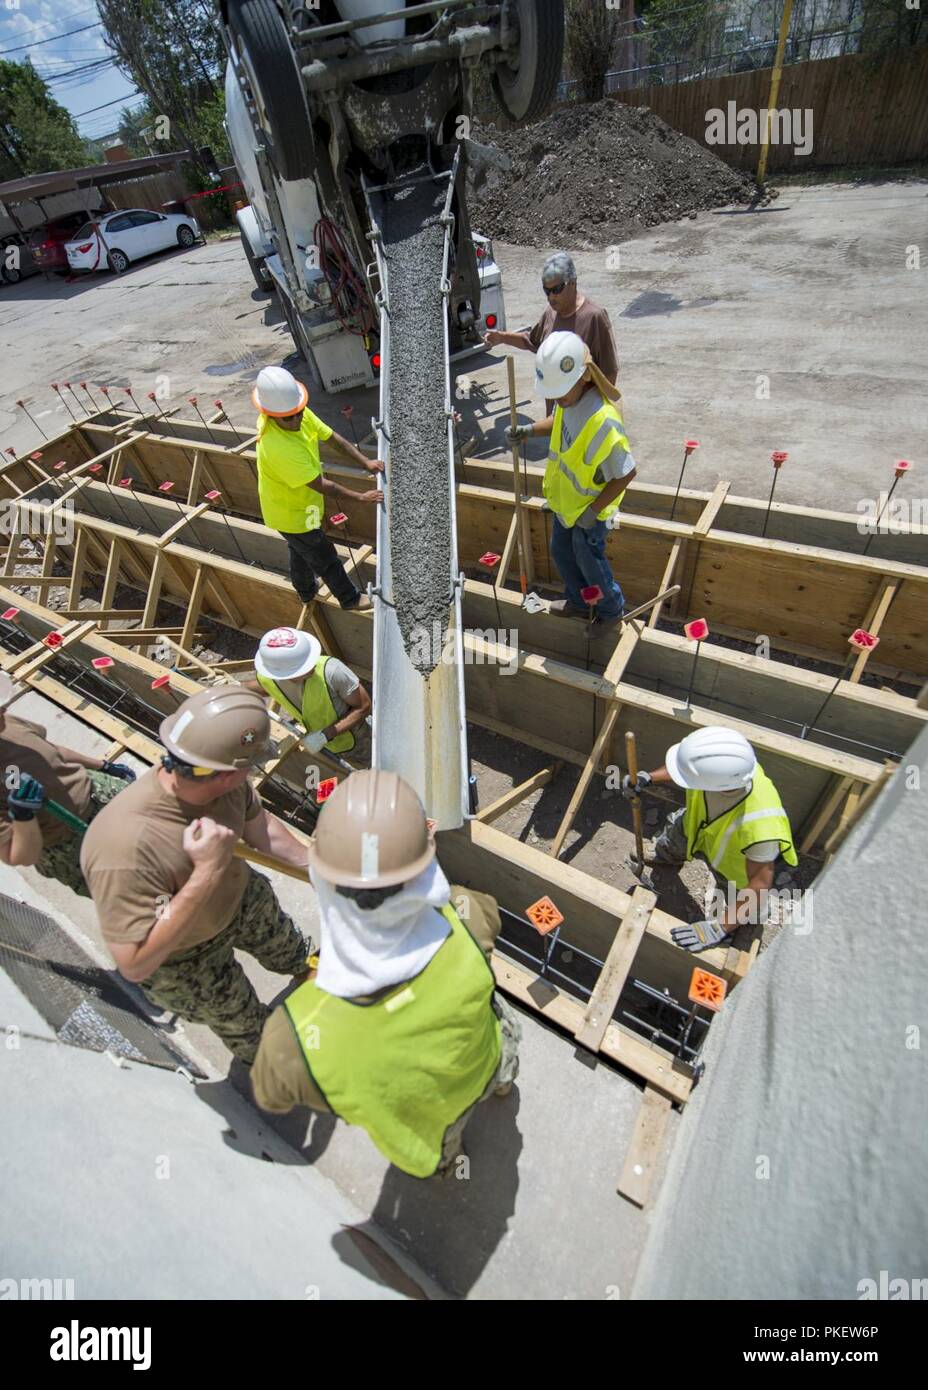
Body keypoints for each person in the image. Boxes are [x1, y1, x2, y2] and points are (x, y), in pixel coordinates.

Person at [251, 770, 521, 1179]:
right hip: (485, 1057)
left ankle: (448, 1164)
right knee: (502, 1059)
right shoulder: (467, 916)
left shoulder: (293, 1036)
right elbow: (485, 914)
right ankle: (502, 1086)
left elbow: (271, 1092)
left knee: (441, 1150)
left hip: (428, 1121)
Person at [81, 687, 313, 1064]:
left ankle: (304, 970)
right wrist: (206, 873)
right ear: (228, 772)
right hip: (187, 960)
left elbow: (262, 830)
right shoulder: (123, 846)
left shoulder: (228, 785)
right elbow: (135, 962)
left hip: (242, 901)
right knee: (251, 1029)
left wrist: (317, 869)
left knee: (293, 951)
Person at [622, 726, 797, 951]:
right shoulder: (726, 772)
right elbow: (684, 770)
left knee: (746, 906)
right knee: (675, 836)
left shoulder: (761, 825)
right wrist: (647, 778)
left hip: (733, 869)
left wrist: (719, 927)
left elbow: (760, 884)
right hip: (695, 827)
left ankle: (739, 929)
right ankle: (666, 855)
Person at [508, 330, 636, 622]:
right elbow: (558, 422)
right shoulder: (570, 401)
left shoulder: (604, 421)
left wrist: (593, 511)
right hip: (568, 504)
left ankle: (610, 610)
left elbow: (627, 473)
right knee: (561, 550)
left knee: (587, 556)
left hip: (593, 508)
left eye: (560, 394)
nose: (558, 400)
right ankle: (579, 600)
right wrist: (528, 431)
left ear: (585, 377)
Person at [253, 366, 384, 611]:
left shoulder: (296, 411)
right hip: (290, 512)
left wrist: (365, 462)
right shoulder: (276, 447)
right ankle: (350, 599)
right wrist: (361, 497)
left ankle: (305, 591)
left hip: (304, 502)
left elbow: (333, 438)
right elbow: (323, 485)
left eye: (298, 413)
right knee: (324, 556)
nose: (297, 420)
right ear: (271, 414)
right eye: (289, 418)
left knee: (300, 550)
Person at [0, 671, 135, 893]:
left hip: (99, 795)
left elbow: (51, 750)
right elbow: (20, 855)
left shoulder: (7, 725)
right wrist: (23, 817)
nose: (5, 709)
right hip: (74, 843)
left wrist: (103, 766)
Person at [484, 251, 618, 408]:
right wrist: (501, 337)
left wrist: (597, 410)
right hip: (556, 418)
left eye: (557, 289)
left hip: (583, 417)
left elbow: (610, 372)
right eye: (546, 291)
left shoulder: (595, 317)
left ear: (573, 283)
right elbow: (531, 341)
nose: (551, 297)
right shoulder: (550, 313)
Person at [242, 626, 371, 764]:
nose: (312, 664)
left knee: (372, 760)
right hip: (320, 742)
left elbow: (364, 706)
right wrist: (231, 687)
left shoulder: (332, 672)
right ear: (283, 674)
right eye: (304, 665)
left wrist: (326, 735)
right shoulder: (267, 678)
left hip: (355, 740)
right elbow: (266, 688)